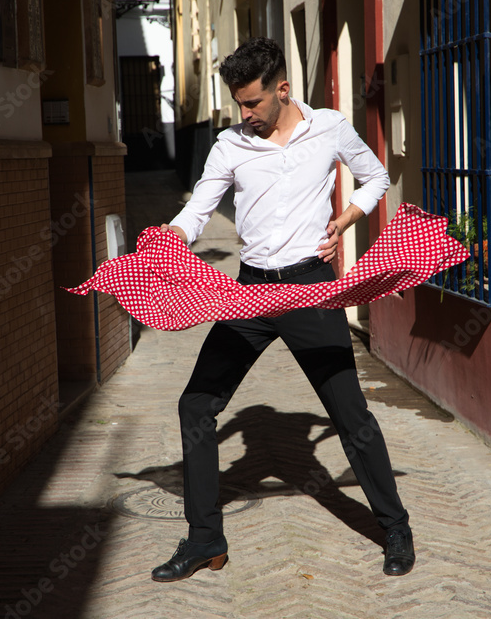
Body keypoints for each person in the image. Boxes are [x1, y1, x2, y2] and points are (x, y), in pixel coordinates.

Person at [151, 37, 414, 582]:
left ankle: (395, 527)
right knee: (196, 405)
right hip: (249, 293)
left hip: (310, 291)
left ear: (283, 89)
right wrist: (170, 238)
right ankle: (205, 541)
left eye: (253, 103)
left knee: (350, 416)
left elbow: (377, 177)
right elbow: (198, 208)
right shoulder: (229, 144)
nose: (245, 114)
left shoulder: (330, 128)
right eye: (239, 104)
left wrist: (345, 221)